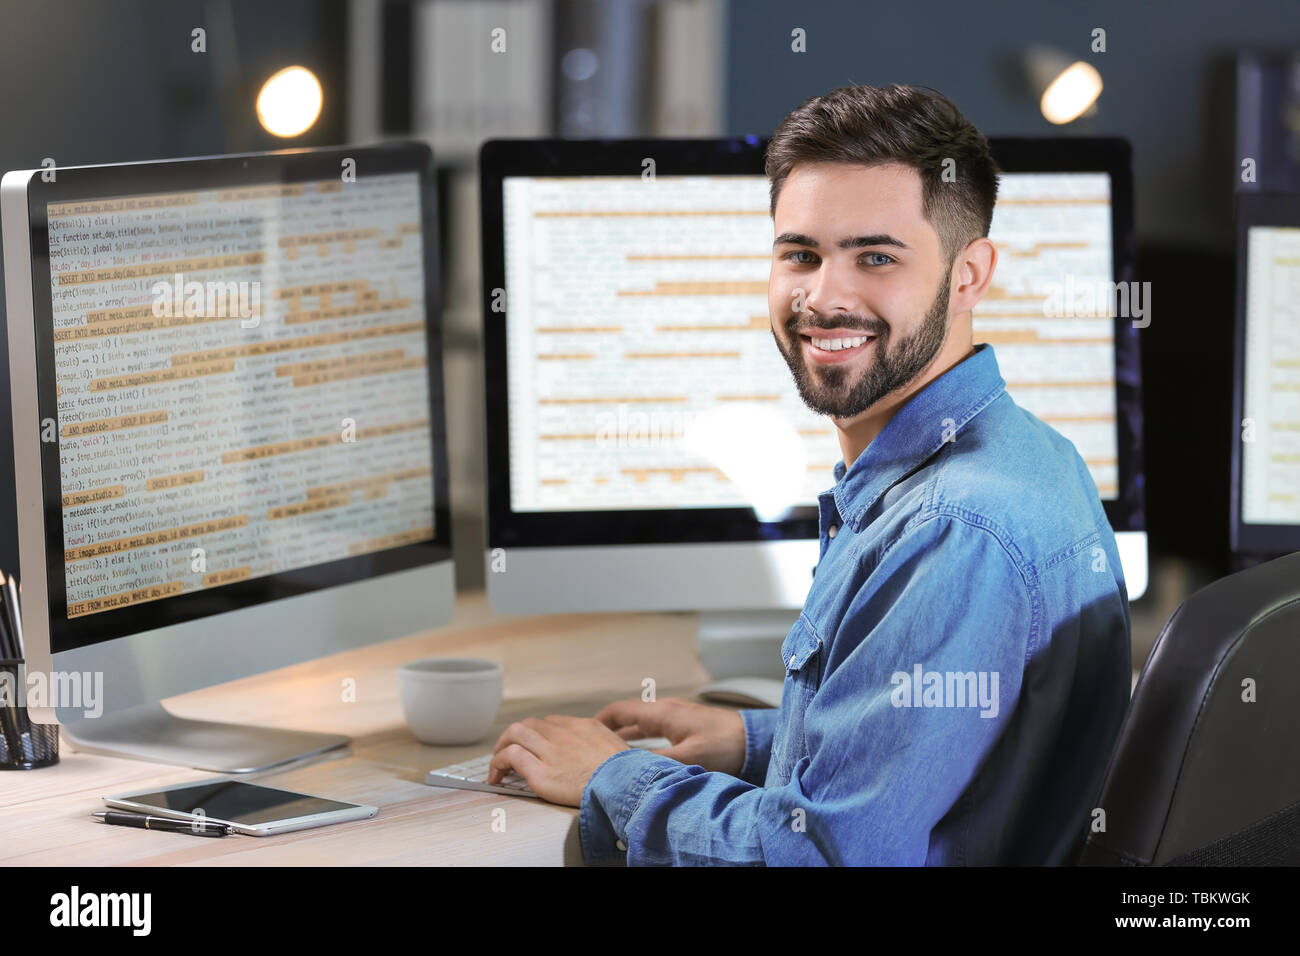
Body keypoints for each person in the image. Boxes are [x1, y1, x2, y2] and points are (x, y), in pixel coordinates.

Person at [486, 83, 1132, 865]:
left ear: (969, 275)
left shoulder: (952, 531)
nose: (825, 298)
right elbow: (946, 751)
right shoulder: (1024, 450)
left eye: (876, 257)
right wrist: (757, 741)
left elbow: (821, 859)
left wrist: (613, 778)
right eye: (801, 254)